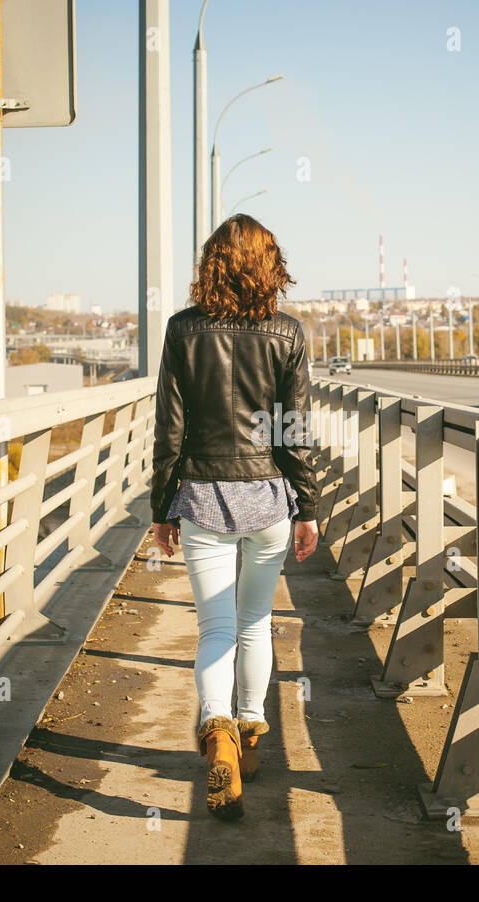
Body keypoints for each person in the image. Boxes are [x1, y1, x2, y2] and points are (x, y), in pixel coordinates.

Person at [149, 214, 319, 821]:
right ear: (270, 268)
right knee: (255, 623)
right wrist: (308, 507)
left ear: (210, 265)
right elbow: (294, 430)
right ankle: (249, 735)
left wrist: (161, 506)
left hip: (201, 494)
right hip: (268, 498)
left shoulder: (181, 331)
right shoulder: (288, 333)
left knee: (214, 627)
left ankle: (215, 727)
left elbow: (170, 427)